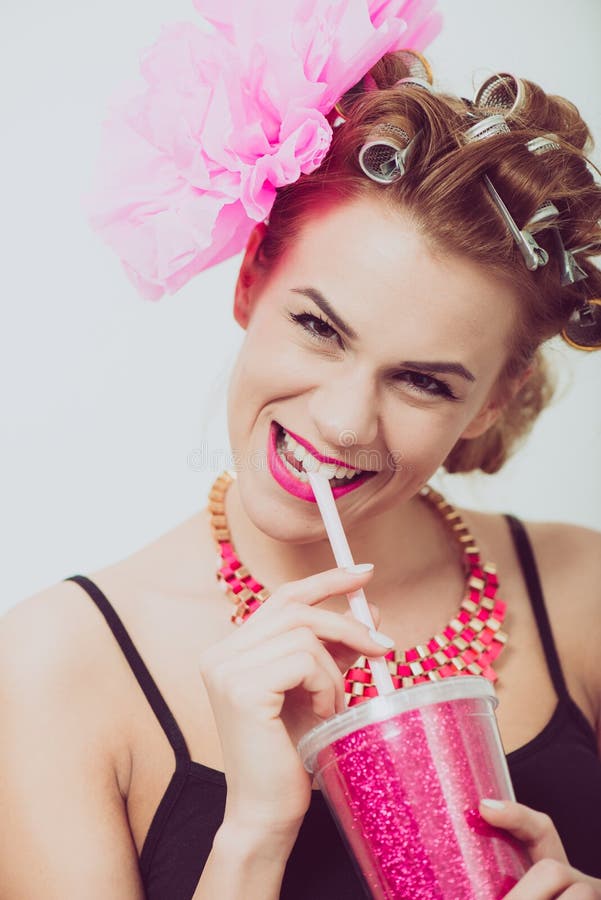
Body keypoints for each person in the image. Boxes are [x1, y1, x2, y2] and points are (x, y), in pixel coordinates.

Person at [2, 2, 601, 897]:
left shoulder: (583, 593)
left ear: (494, 399)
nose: (345, 422)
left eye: (424, 381)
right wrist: (252, 835)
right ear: (250, 280)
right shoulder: (56, 666)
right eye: (319, 327)